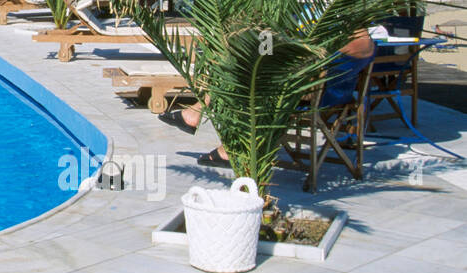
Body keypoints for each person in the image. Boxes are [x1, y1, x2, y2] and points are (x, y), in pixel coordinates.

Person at [160, 28, 377, 168]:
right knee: (246, 79)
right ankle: (200, 119)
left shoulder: (349, 42)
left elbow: (314, 57)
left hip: (318, 97)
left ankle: (217, 136)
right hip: (329, 93)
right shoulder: (364, 42)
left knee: (246, 86)